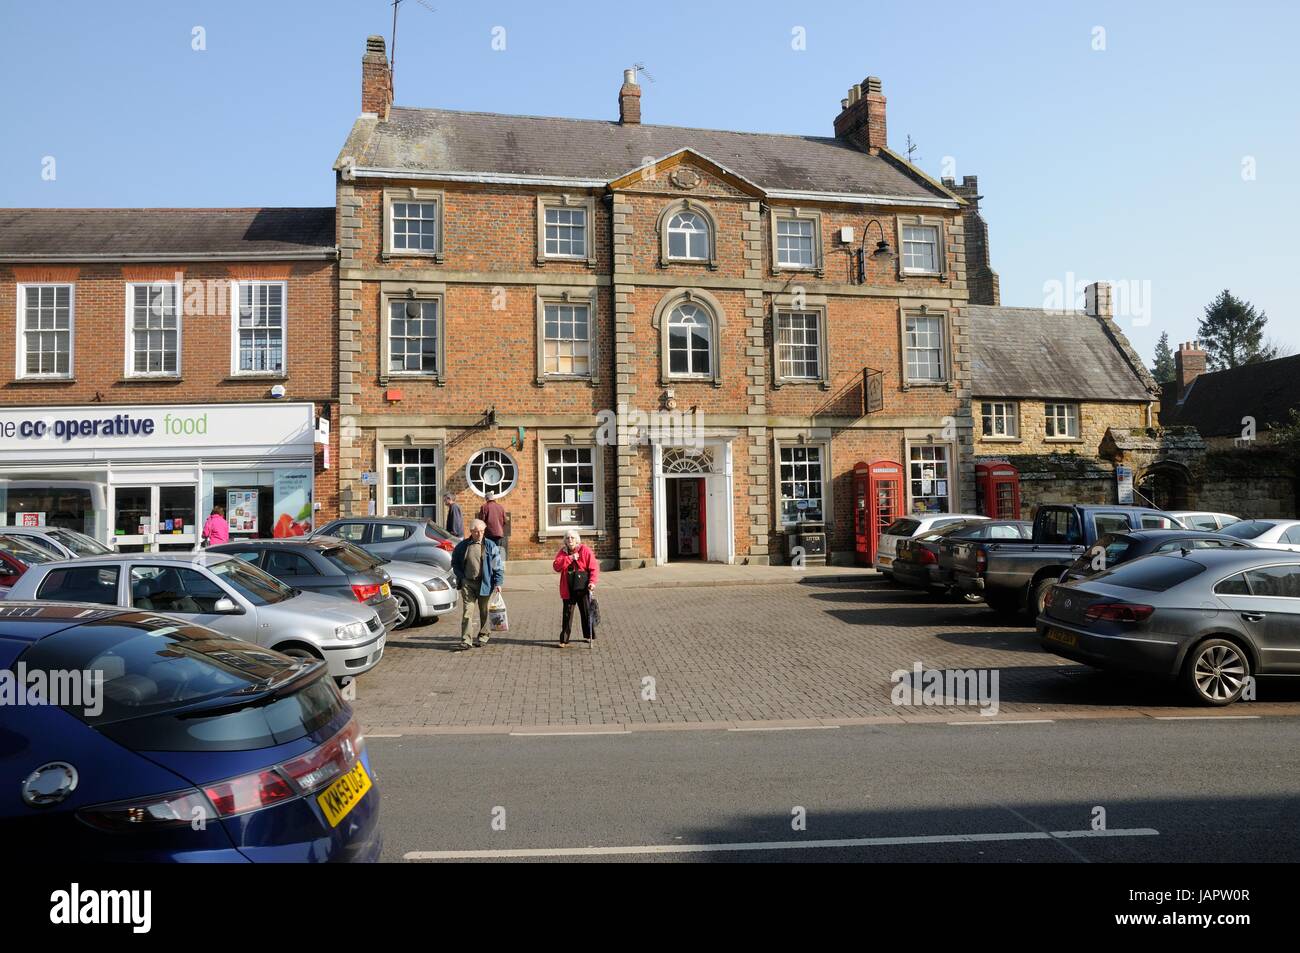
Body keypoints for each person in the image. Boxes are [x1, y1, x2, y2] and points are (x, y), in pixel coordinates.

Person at [450, 518, 504, 650]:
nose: (479, 534)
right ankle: (466, 640)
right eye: (476, 531)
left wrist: (498, 582)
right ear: (471, 532)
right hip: (468, 583)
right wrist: (462, 578)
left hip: (485, 584)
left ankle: (483, 636)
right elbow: (455, 563)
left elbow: (498, 566)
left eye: (481, 531)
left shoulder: (490, 546)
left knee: (484, 611)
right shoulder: (462, 546)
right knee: (467, 612)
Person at [552, 529, 598, 648]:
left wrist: (592, 582)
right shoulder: (563, 552)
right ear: (565, 541)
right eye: (567, 538)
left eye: (572, 538)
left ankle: (589, 636)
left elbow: (593, 568)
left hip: (583, 587)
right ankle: (564, 640)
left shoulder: (585, 550)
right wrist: (570, 558)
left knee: (586, 612)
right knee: (567, 614)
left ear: (577, 540)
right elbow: (556, 566)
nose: (570, 540)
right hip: (568, 587)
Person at [477, 490, 508, 558]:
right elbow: (505, 521)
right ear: (493, 498)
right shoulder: (500, 507)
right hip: (499, 534)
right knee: (497, 553)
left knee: (488, 554)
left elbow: (481, 521)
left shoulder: (484, 507)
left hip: (489, 534)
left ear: (486, 499)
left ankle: (489, 567)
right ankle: (497, 567)